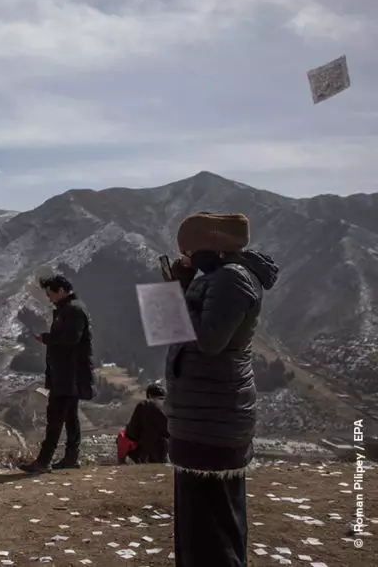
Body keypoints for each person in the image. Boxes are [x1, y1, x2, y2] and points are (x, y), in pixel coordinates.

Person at [165, 212, 279, 567]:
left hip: (212, 419)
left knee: (212, 531)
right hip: (198, 415)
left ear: (209, 246)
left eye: (188, 251)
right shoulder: (215, 278)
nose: (185, 259)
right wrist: (177, 290)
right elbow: (170, 334)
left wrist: (174, 294)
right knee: (197, 528)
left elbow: (210, 341)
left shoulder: (232, 279)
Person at [18, 274, 94, 473]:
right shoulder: (67, 311)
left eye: (50, 293)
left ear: (61, 291)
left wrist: (47, 339)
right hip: (67, 374)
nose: (49, 298)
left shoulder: (73, 311)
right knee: (70, 417)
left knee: (55, 417)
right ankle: (71, 458)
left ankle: (43, 461)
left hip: (68, 375)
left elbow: (70, 340)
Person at [117, 383, 169, 464]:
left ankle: (122, 462)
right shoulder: (170, 407)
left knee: (121, 438)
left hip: (146, 450)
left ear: (149, 395)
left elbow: (132, 432)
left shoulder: (143, 406)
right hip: (168, 450)